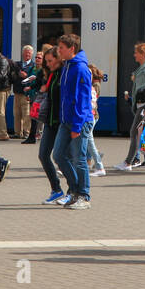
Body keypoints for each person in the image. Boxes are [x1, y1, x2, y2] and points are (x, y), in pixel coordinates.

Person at [53, 33, 93, 208]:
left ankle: (83, 195)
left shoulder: (80, 69)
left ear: (72, 49)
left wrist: (77, 125)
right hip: (66, 120)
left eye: (61, 48)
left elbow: (83, 100)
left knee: (79, 159)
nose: (58, 51)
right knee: (59, 155)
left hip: (79, 122)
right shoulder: (67, 66)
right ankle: (75, 190)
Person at [117, 43, 145, 171]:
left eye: (136, 52)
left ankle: (128, 162)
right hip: (144, 104)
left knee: (134, 132)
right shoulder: (143, 69)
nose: (134, 55)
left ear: (142, 54)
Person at [36, 47, 66, 203]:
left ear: (58, 58)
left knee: (62, 157)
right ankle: (56, 189)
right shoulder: (52, 74)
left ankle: (75, 191)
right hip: (50, 121)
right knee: (43, 155)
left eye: (50, 61)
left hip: (62, 122)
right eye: (46, 62)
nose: (47, 64)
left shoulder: (64, 74)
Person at [85, 64, 106, 177]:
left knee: (88, 140)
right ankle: (95, 158)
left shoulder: (95, 85)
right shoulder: (93, 84)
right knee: (88, 140)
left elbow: (93, 101)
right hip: (92, 116)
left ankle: (98, 164)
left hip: (92, 116)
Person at [11, 45, 35, 140]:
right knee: (16, 113)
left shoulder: (33, 66)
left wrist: (26, 76)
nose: (27, 54)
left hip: (26, 93)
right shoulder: (17, 65)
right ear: (22, 53)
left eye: (29, 53)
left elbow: (34, 78)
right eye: (25, 53)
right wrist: (17, 74)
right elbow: (12, 75)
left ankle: (26, 132)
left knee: (26, 114)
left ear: (31, 54)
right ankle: (17, 132)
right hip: (17, 91)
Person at [19, 49, 43, 145]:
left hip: (39, 95)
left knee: (36, 116)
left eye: (39, 58)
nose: (37, 59)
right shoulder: (32, 69)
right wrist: (28, 93)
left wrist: (31, 86)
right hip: (33, 94)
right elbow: (29, 81)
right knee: (33, 115)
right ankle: (32, 135)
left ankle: (36, 134)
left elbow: (39, 82)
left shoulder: (42, 70)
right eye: (36, 57)